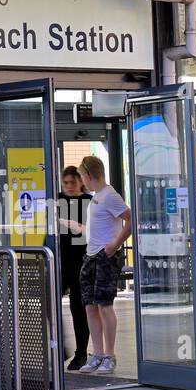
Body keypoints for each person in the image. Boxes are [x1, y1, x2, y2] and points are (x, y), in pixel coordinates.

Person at [76, 155, 130, 375]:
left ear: (88, 175)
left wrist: (115, 244)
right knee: (90, 306)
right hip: (90, 257)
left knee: (105, 306)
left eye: (82, 177)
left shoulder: (110, 196)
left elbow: (131, 218)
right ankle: (97, 354)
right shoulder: (97, 197)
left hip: (105, 257)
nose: (82, 182)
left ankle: (109, 355)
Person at [56, 166, 93, 371]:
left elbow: (91, 233)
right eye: (65, 182)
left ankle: (81, 354)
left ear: (80, 181)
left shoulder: (88, 202)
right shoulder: (58, 200)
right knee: (50, 303)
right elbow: (51, 230)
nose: (69, 186)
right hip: (61, 261)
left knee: (78, 309)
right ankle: (61, 347)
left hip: (81, 261)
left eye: (72, 182)